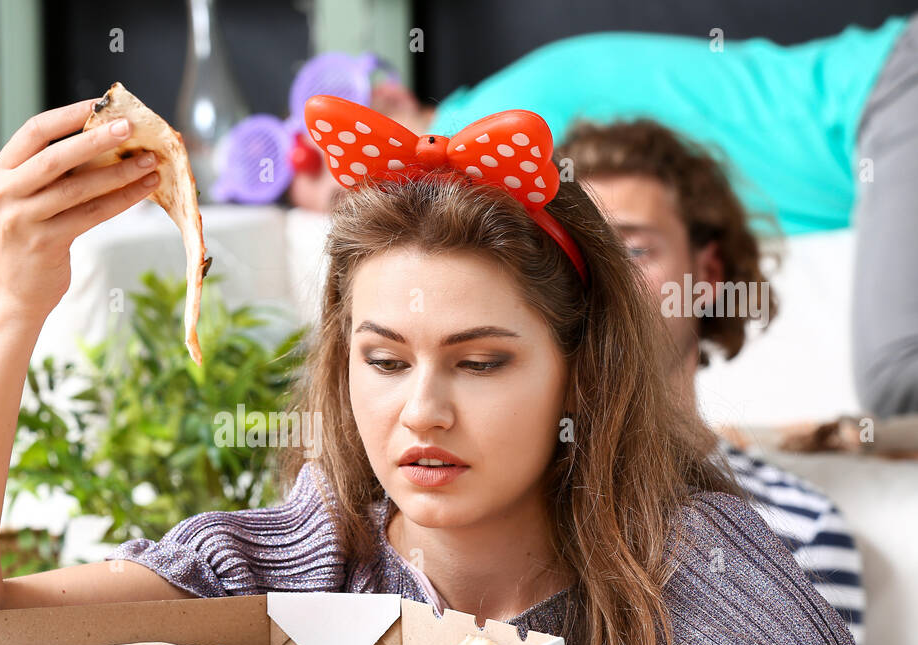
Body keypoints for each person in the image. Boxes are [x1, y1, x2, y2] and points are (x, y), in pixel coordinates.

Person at [0, 98, 918, 645]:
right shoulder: (293, 562)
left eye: (480, 361)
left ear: (579, 372)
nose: (421, 410)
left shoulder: (697, 563)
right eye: (384, 359)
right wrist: (14, 298)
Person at [290, 17, 918, 417]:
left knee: (895, 375)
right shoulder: (523, 103)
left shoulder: (481, 129)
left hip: (892, 83)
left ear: (392, 99)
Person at [558, 118, 867, 645]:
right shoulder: (503, 493)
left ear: (707, 275)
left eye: (633, 252)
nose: (603, 281)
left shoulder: (797, 530)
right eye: (577, 255)